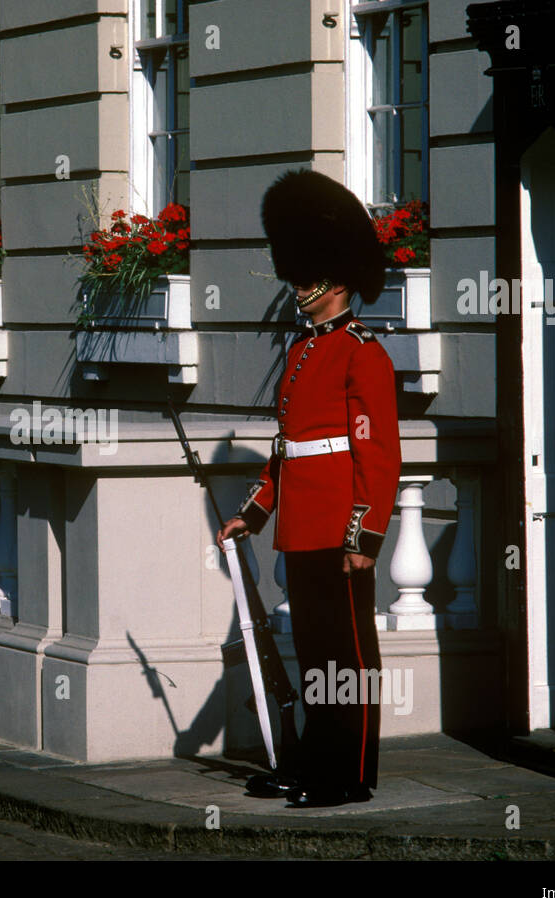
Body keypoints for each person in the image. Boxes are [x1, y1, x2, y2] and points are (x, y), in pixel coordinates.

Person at [217, 169, 401, 807]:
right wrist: (256, 513)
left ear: (340, 275)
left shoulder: (363, 354)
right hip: (301, 526)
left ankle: (348, 774)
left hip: (339, 530)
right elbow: (286, 449)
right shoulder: (301, 352)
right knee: (317, 655)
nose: (299, 282)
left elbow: (378, 459)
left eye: (309, 268)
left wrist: (363, 537)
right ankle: (312, 763)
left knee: (348, 658)